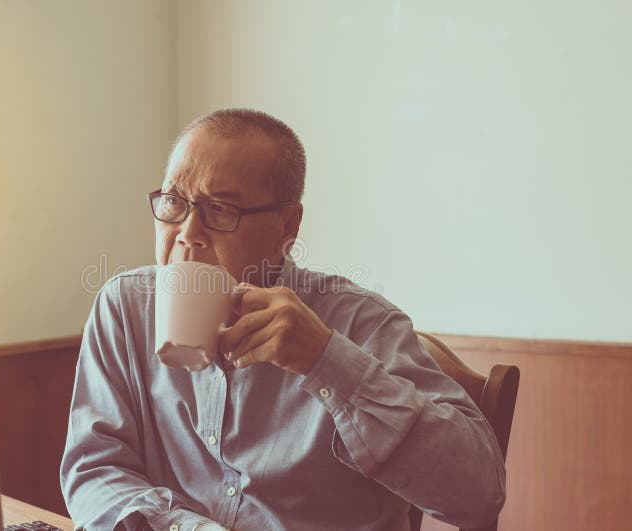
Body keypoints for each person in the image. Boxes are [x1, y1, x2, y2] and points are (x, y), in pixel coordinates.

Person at [60, 109, 506, 531]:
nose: (187, 234)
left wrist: (328, 361)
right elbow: (93, 466)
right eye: (175, 201)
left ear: (287, 227)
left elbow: (480, 493)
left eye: (219, 210)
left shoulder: (363, 325)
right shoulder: (124, 307)